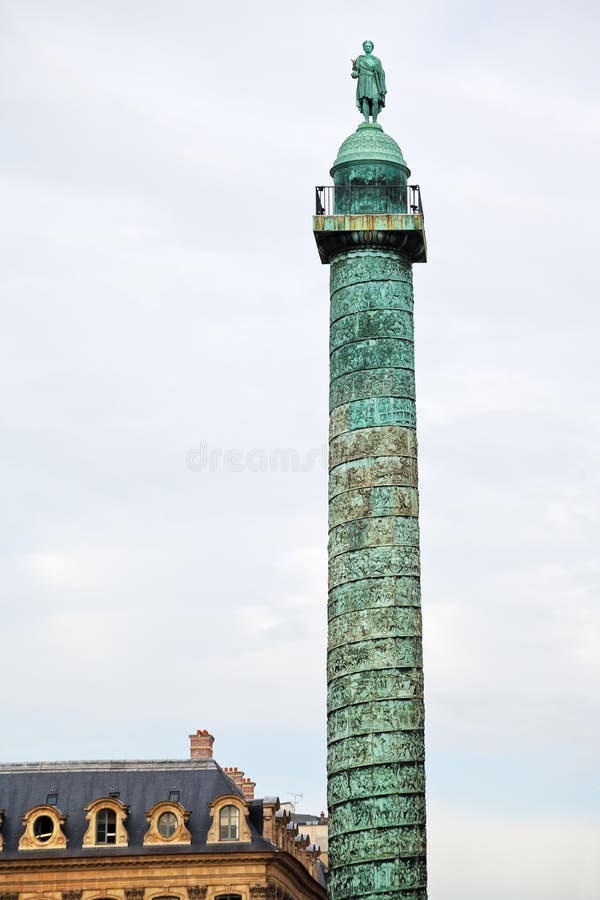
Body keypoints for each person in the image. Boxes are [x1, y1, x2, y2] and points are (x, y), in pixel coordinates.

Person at [352, 40, 386, 122]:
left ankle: (374, 121)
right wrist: (355, 73)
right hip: (363, 79)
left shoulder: (376, 60)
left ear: (372, 48)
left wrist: (377, 70)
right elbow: (356, 71)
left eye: (369, 46)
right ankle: (366, 120)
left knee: (375, 100)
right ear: (364, 47)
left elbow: (382, 72)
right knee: (365, 99)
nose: (368, 48)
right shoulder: (360, 59)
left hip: (373, 79)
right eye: (366, 46)